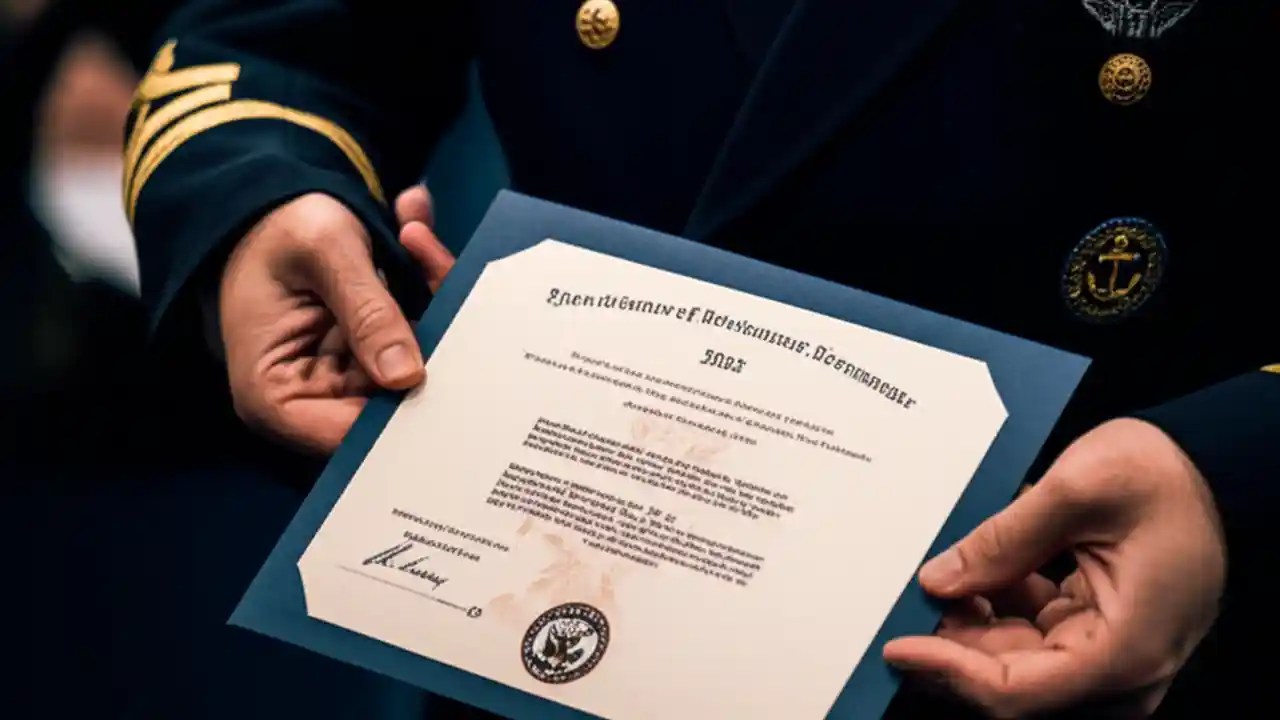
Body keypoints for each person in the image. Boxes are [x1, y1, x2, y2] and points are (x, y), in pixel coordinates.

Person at [123, 1, 1277, 717]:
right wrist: (257, 199)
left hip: (1061, 615)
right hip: (550, 596)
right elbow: (271, 39)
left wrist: (1234, 476)